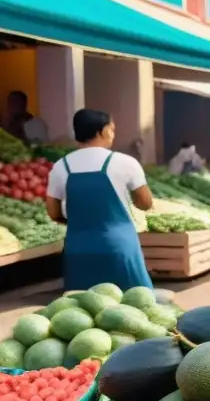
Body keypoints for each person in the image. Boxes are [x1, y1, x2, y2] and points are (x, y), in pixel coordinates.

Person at [45, 109, 153, 291]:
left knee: (84, 310)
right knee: (136, 305)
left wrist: (81, 223)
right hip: (118, 247)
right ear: (102, 131)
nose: (112, 134)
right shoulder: (125, 162)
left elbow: (53, 212)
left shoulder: (60, 167)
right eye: (112, 129)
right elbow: (145, 203)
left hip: (78, 249)